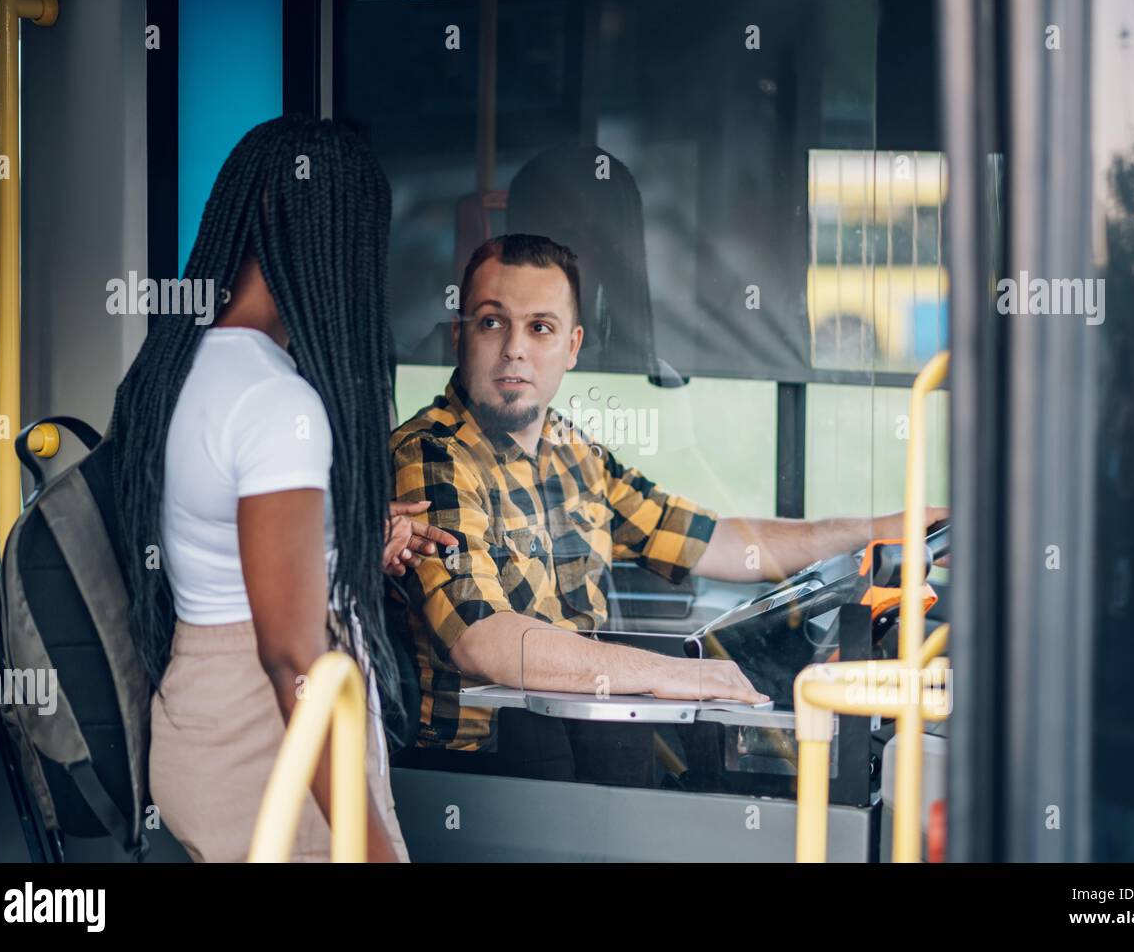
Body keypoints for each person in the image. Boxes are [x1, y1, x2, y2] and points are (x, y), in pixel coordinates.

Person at [391, 233, 946, 781]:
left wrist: (877, 529)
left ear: (573, 346)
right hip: (480, 770)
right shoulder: (432, 454)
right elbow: (482, 640)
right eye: (492, 321)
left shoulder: (573, 453)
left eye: (540, 328)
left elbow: (716, 542)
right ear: (462, 335)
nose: (514, 347)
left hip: (581, 746)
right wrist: (671, 674)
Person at [110, 115, 454, 862]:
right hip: (265, 749)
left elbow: (218, 539)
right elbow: (292, 658)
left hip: (206, 714)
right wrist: (369, 846)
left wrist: (343, 536)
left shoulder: (180, 369)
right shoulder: (278, 405)